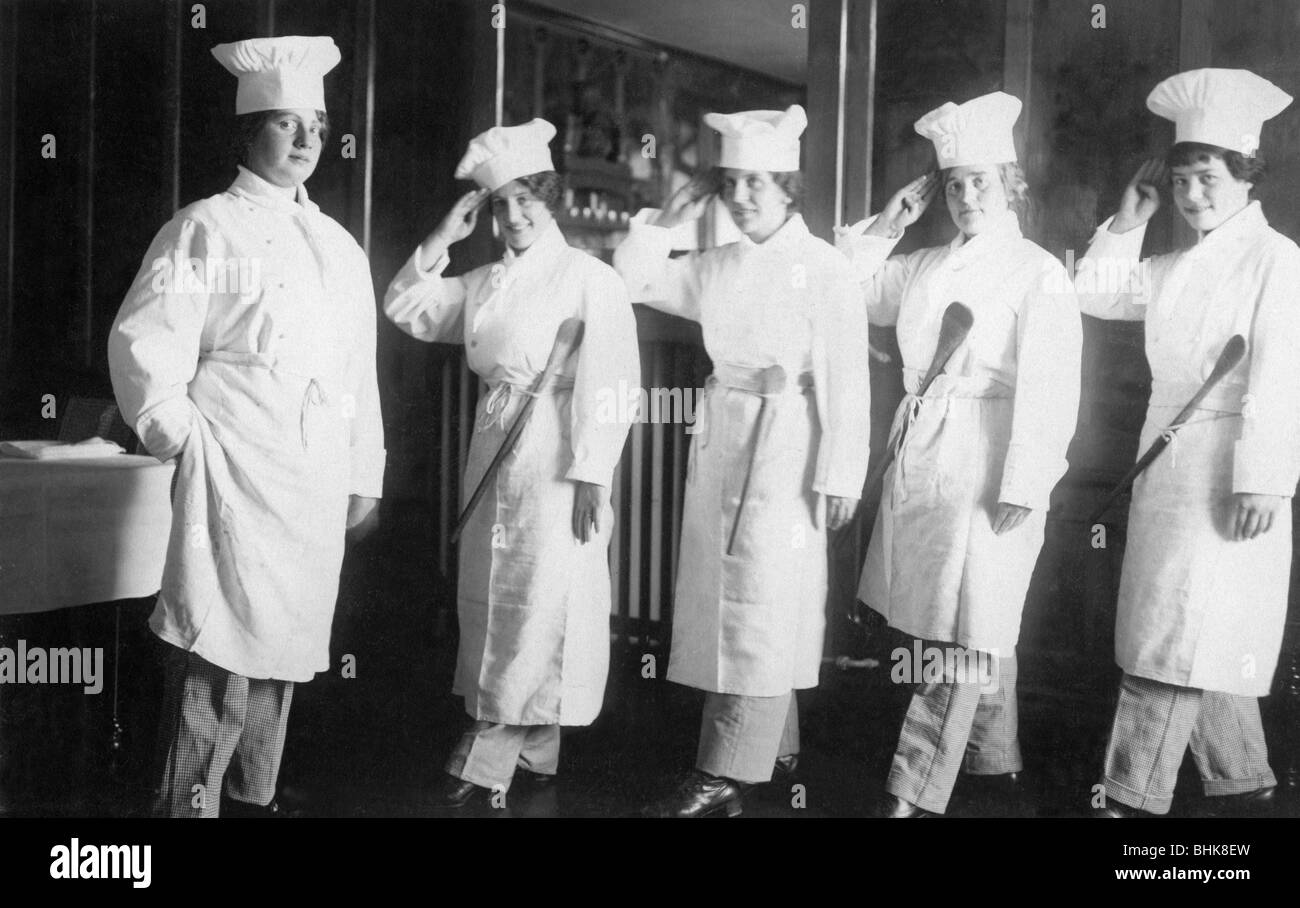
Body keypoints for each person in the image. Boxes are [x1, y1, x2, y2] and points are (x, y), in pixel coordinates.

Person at [109, 36, 385, 818]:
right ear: (248, 130)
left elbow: (358, 370)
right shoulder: (205, 227)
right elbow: (144, 343)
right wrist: (179, 437)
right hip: (233, 472)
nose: (306, 142)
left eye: (319, 129)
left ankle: (252, 803)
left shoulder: (338, 245)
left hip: (311, 482)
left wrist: (363, 474)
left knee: (279, 666)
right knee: (215, 662)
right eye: (287, 124)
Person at [615, 104, 872, 818]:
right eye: (733, 182)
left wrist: (840, 473)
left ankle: (724, 770)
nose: (745, 195)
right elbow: (631, 281)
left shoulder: (824, 267)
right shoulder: (715, 264)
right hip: (722, 433)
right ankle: (776, 747)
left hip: (789, 440)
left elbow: (848, 378)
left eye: (760, 182)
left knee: (763, 600)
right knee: (728, 600)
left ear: (789, 186)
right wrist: (665, 218)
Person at [837, 91, 1081, 817]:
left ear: (1010, 184)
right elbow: (846, 289)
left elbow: (1052, 385)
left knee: (966, 622)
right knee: (963, 612)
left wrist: (1027, 480)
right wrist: (887, 224)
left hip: (991, 452)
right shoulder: (923, 264)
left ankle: (912, 788)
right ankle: (993, 759)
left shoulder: (1038, 272)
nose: (966, 195)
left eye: (980, 180)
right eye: (953, 183)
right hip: (924, 450)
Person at [384, 119, 640, 810]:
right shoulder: (484, 279)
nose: (515, 215)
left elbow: (612, 380)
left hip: (556, 450)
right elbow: (408, 308)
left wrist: (593, 474)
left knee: (540, 595)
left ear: (550, 198)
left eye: (527, 199)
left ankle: (485, 756)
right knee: (494, 594)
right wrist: (442, 239)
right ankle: (538, 746)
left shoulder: (589, 277)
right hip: (494, 439)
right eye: (501, 204)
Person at [1077, 68, 1297, 818]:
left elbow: (1283, 373)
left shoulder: (1277, 260)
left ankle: (1129, 798)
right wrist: (1129, 216)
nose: (1192, 195)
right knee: (1187, 627)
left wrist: (1264, 479)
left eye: (1205, 178)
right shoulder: (1168, 266)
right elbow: (1094, 292)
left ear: (1243, 175)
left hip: (1229, 470)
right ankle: (1246, 780)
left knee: (1172, 637)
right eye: (1178, 183)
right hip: (1166, 462)